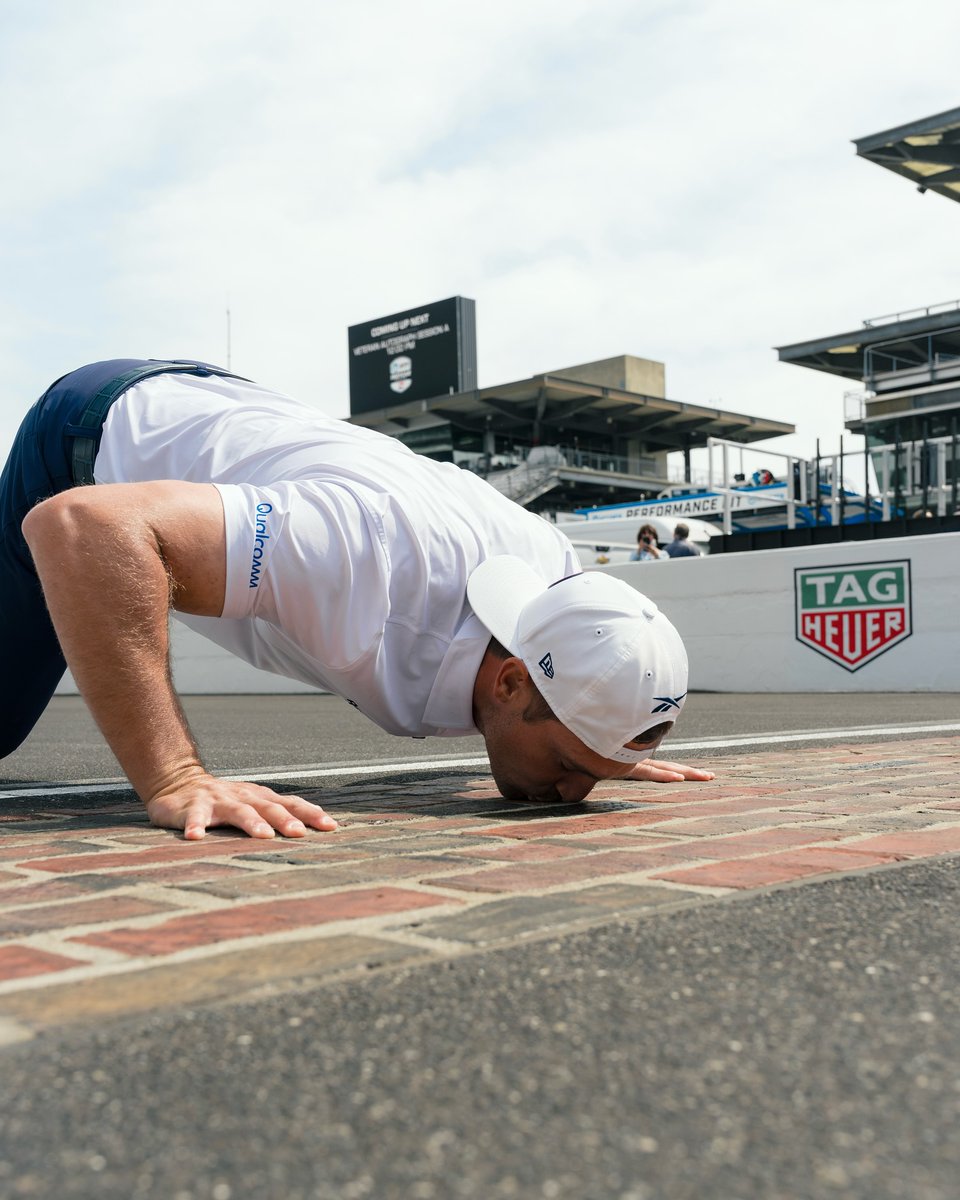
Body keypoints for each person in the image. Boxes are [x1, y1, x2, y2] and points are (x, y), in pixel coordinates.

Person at [3, 358, 714, 841]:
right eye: (571, 770)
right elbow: (80, 526)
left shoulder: (553, 581)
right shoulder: (362, 558)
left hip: (227, 406)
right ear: (509, 679)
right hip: (94, 430)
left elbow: (580, 677)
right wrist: (173, 777)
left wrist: (601, 741)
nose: (571, 795)